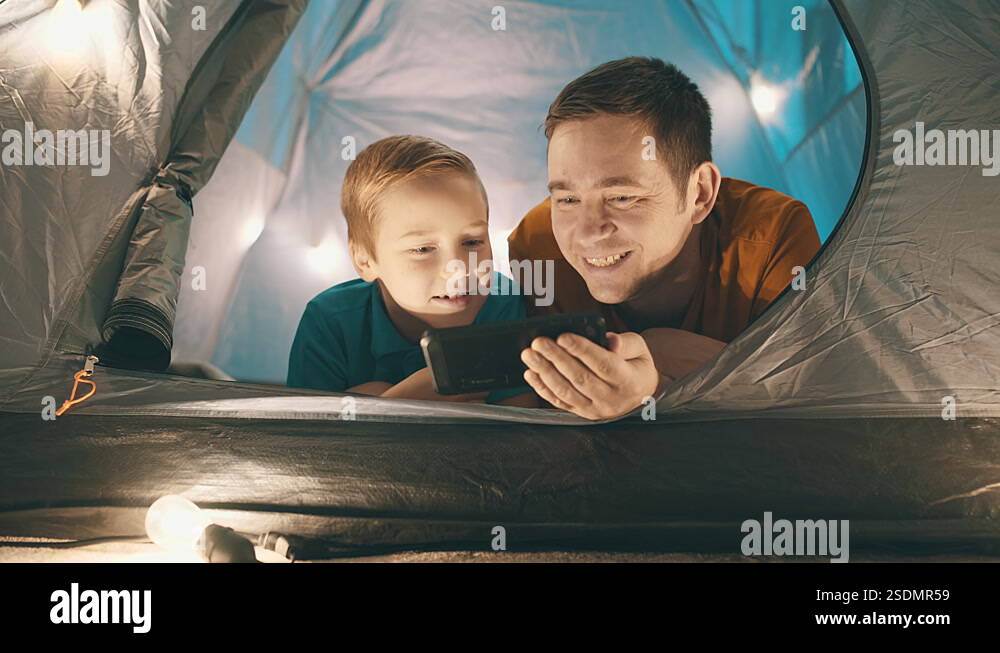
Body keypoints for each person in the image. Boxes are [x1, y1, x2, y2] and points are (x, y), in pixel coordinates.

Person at [508, 57, 821, 420]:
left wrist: (654, 387)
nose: (588, 230)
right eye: (567, 199)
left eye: (622, 197)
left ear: (700, 194)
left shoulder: (772, 235)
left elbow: (806, 401)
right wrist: (697, 361)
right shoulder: (537, 247)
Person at [288, 135, 538, 407]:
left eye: (472, 242)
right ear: (365, 261)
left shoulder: (505, 305)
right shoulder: (329, 321)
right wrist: (397, 404)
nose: (458, 270)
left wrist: (371, 401)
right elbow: (307, 438)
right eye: (422, 250)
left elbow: (520, 424)